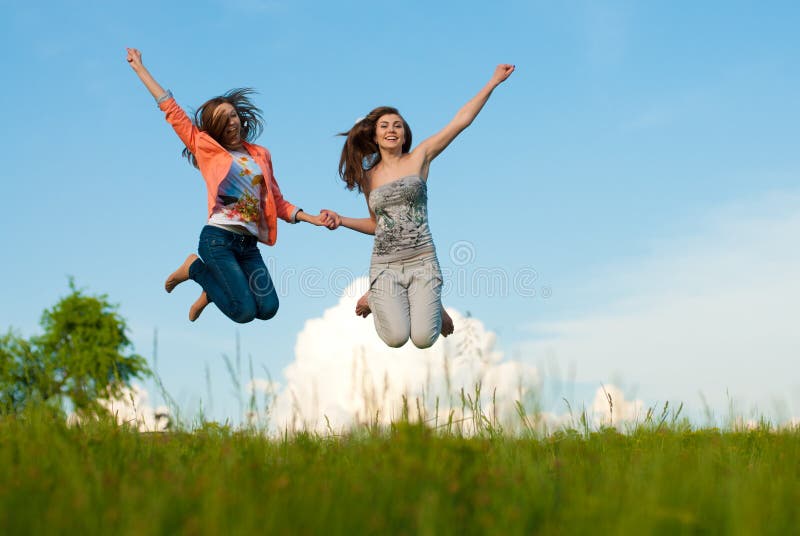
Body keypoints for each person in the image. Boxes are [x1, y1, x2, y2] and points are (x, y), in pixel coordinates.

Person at [126, 48, 335, 322]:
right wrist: (140, 68)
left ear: (239, 117)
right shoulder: (206, 149)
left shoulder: (260, 155)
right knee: (244, 311)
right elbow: (171, 111)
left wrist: (311, 219)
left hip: (248, 245)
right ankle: (194, 269)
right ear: (214, 126)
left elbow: (277, 201)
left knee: (268, 308)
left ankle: (212, 290)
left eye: (233, 115)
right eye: (222, 119)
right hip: (218, 240)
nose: (231, 122)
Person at [323, 64, 515, 348]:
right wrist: (341, 219)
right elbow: (377, 225)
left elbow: (460, 122)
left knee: (424, 339)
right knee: (396, 338)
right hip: (385, 265)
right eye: (384, 126)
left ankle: (434, 304)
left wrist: (493, 82)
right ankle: (377, 295)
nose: (392, 130)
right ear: (375, 136)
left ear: (404, 134)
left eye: (398, 125)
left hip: (422, 261)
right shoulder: (368, 178)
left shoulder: (420, 157)